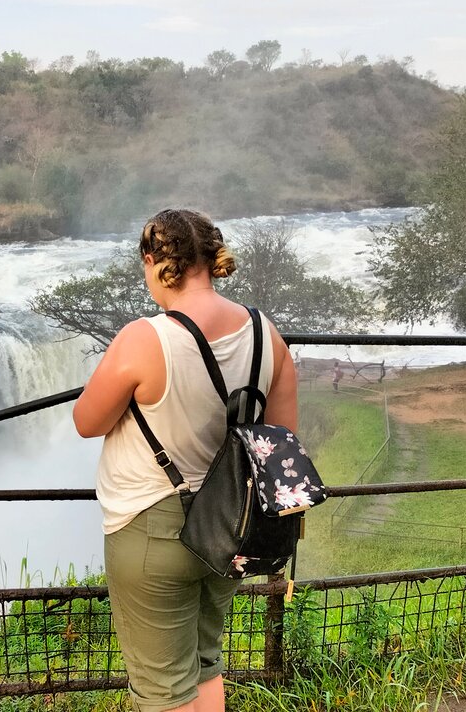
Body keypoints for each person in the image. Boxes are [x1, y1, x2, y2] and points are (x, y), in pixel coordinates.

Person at [72, 209, 298, 712]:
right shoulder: (267, 335)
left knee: (161, 691)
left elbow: (86, 421)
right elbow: (281, 440)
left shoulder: (145, 338)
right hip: (230, 526)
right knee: (205, 665)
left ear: (153, 262)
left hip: (152, 527)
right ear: (211, 262)